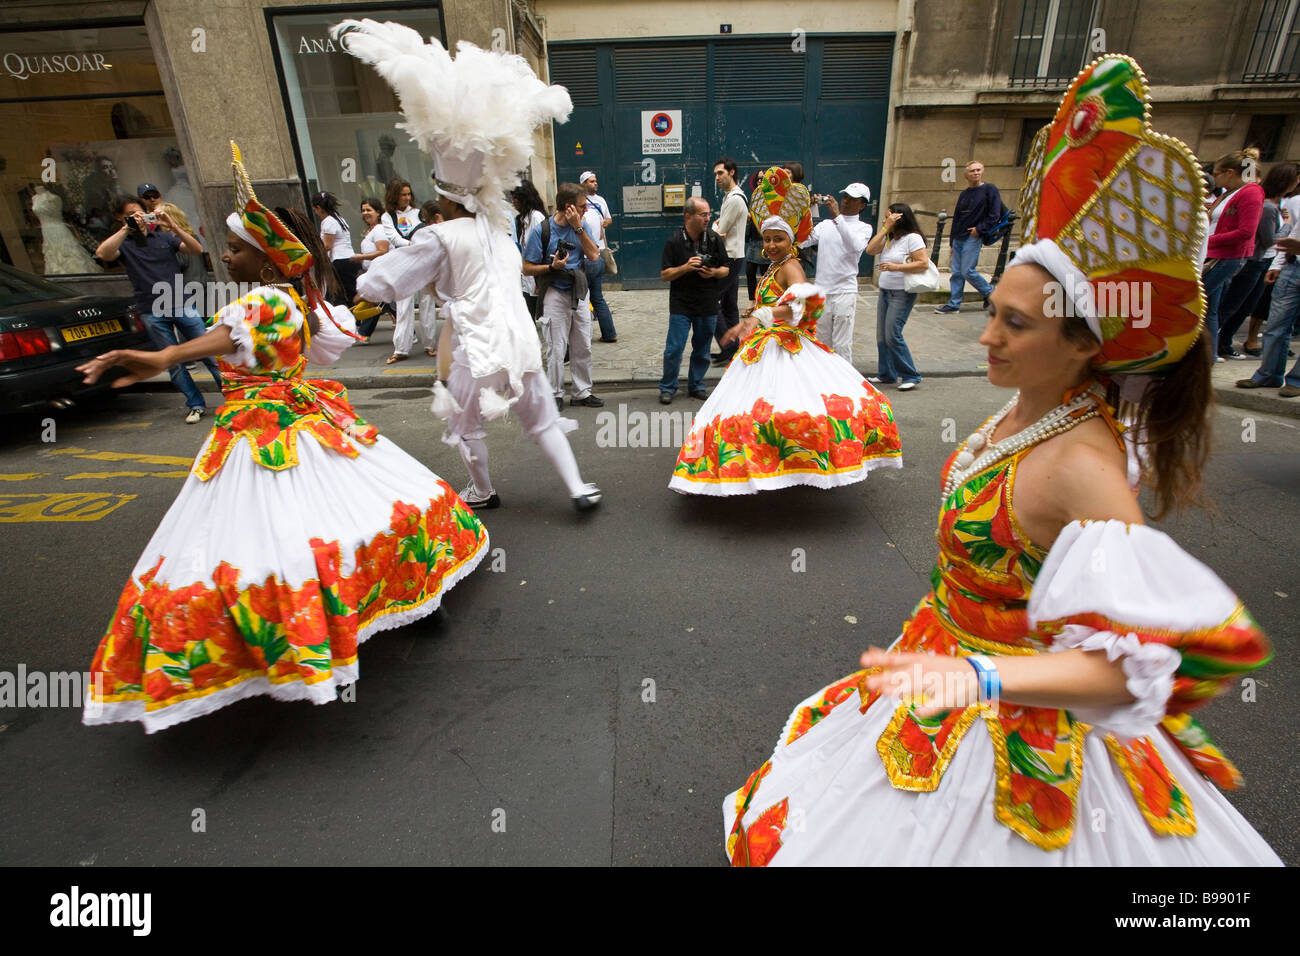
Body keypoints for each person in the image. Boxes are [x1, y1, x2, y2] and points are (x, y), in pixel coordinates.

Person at [724, 55, 1280, 867]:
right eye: (993, 312)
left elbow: (1135, 675)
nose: (986, 336)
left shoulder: (1084, 462)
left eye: (1015, 325)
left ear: (1084, 342)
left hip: (1011, 720)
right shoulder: (1038, 403)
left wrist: (981, 681)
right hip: (945, 658)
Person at [76, 141, 488, 733]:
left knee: (263, 538)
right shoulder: (295, 301)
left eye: (237, 249)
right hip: (297, 420)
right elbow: (309, 340)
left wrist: (160, 355)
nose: (226, 255)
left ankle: (290, 647)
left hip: (264, 432)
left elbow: (208, 344)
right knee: (349, 513)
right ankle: (409, 603)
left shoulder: (265, 301)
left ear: (267, 264)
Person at [340, 18, 603, 512]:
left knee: (463, 425)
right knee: (542, 418)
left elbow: (386, 282)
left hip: (474, 349)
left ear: (443, 195)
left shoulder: (439, 235)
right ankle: (577, 487)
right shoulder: (498, 235)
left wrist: (362, 282)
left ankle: (482, 490)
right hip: (519, 342)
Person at [670, 166, 901, 494]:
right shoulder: (774, 267)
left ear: (790, 240)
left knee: (785, 407)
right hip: (765, 346)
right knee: (755, 407)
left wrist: (759, 316)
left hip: (786, 345)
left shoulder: (791, 266)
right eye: (767, 238)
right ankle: (771, 465)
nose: (772, 244)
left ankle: (787, 465)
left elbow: (802, 303)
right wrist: (752, 318)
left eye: (778, 238)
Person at [95, 194, 221, 423]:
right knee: (172, 362)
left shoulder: (163, 237)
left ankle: (232, 397)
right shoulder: (123, 243)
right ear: (119, 218)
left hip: (181, 303)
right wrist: (126, 228)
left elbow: (195, 249)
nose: (136, 218)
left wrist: (172, 225)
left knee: (210, 354)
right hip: (151, 310)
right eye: (129, 215)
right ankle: (195, 404)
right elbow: (103, 254)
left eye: (139, 213)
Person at [523, 182, 604, 409]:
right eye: (581, 206)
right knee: (556, 348)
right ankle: (555, 394)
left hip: (578, 291)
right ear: (568, 207)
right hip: (554, 292)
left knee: (583, 345)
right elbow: (527, 267)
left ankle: (582, 393)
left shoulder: (582, 224)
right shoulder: (543, 230)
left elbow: (595, 255)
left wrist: (578, 228)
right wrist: (552, 268)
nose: (585, 210)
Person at [659, 197, 728, 405]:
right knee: (674, 348)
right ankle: (668, 387)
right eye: (703, 214)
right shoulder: (674, 241)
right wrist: (685, 268)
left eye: (709, 214)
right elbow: (665, 274)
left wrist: (713, 272)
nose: (708, 218)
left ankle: (696, 385)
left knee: (703, 348)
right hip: (682, 303)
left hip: (707, 302)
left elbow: (726, 269)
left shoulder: (714, 240)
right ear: (688, 216)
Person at [1202, 148, 1264, 362]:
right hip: (1214, 254)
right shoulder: (1230, 193)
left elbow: (1247, 232)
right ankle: (1209, 356)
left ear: (1229, 172)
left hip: (1226, 257)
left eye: (1216, 173)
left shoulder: (1251, 192)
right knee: (1209, 308)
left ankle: (1205, 355)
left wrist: (1207, 242)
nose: (1214, 177)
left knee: (1197, 301)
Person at [800, 183, 873, 363]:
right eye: (845, 197)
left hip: (844, 291)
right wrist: (810, 209)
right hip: (822, 290)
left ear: (862, 205)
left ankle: (844, 384)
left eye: (852, 198)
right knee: (821, 342)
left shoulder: (864, 228)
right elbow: (803, 241)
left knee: (842, 344)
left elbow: (854, 247)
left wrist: (837, 216)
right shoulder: (826, 225)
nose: (846, 201)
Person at [865, 203, 931, 390]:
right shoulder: (889, 238)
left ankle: (911, 375)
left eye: (888, 217)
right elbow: (870, 250)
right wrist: (885, 229)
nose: (885, 220)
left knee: (892, 334)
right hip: (885, 291)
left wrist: (896, 267)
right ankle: (887, 374)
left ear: (899, 218)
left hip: (901, 293)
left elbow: (922, 263)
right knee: (881, 335)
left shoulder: (913, 238)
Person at [1235, 231, 1300, 397]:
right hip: (1292, 267)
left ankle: (1296, 380)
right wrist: (1277, 265)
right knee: (1275, 325)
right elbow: (1293, 235)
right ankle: (1268, 375)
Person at [935, 161, 1000, 314]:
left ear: (982, 171)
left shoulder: (989, 189)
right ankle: (954, 303)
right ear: (966, 174)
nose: (976, 173)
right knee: (956, 272)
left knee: (967, 271)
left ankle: (992, 293)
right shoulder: (964, 193)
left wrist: (979, 229)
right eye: (972, 171)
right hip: (959, 236)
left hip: (973, 236)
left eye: (978, 170)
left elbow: (994, 215)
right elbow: (957, 217)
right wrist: (951, 241)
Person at [381, 178, 424, 363]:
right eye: (403, 195)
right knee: (403, 306)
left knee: (427, 303)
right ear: (394, 196)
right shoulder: (387, 216)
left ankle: (430, 345)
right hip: (403, 262)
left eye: (408, 194)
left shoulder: (419, 213)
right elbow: (394, 239)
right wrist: (415, 245)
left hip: (422, 261)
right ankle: (401, 348)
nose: (407, 198)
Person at [711, 156, 748, 366]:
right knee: (729, 305)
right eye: (715, 174)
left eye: (720, 173)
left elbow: (719, 233)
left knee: (710, 301)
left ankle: (728, 347)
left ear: (731, 172)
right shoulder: (731, 197)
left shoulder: (734, 199)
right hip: (734, 255)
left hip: (731, 256)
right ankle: (736, 350)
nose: (716, 177)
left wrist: (715, 227)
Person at [579, 171, 617, 343]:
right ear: (583, 184)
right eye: (591, 181)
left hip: (588, 258)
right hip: (596, 259)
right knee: (597, 298)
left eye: (596, 181)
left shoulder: (583, 216)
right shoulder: (591, 214)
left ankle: (583, 337)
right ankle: (609, 333)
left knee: (582, 299)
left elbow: (607, 222)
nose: (595, 184)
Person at [351, 197, 391, 341]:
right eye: (363, 210)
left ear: (378, 212)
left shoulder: (379, 229)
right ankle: (363, 333)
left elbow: (383, 250)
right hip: (374, 273)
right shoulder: (370, 230)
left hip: (381, 273)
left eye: (369, 210)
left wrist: (360, 257)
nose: (365, 213)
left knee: (373, 299)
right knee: (382, 302)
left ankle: (363, 333)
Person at [313, 191, 360, 307]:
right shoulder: (339, 218)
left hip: (339, 261)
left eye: (314, 209)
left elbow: (327, 246)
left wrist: (314, 255)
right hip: (349, 258)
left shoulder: (328, 222)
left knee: (340, 294)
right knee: (349, 292)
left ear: (318, 208)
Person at [510, 180, 547, 317]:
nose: (513, 202)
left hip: (537, 277)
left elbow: (542, 248)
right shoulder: (521, 220)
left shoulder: (536, 217)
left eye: (516, 199)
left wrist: (538, 279)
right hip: (526, 278)